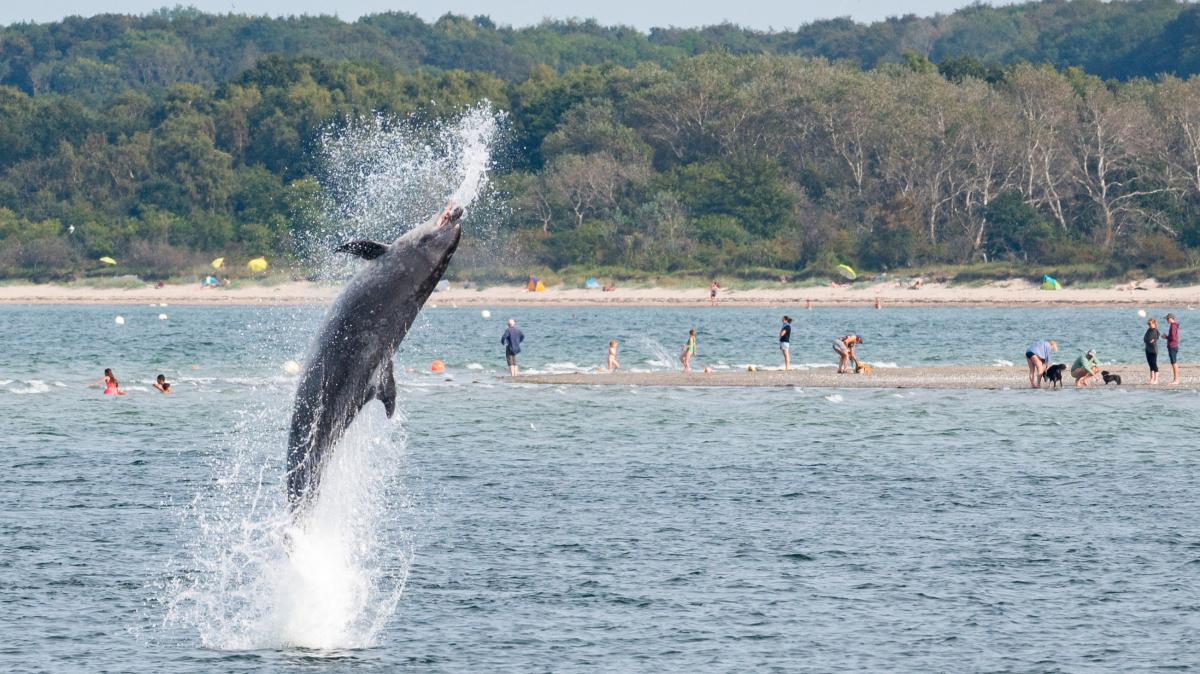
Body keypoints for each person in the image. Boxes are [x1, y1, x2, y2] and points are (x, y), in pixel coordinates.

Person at [1144, 318, 1162, 385]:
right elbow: (1145, 338)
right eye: (1148, 324)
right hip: (1147, 349)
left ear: (1154, 323)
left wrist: (1152, 340)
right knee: (1150, 364)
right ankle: (1151, 379)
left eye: (1150, 324)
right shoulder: (1148, 330)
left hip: (1153, 350)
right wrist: (1148, 341)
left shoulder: (1155, 330)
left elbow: (1156, 337)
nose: (1149, 325)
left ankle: (1156, 380)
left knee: (1154, 364)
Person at [1165, 313, 1181, 385]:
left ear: (1171, 318)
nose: (1167, 320)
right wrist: (1167, 337)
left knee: (1174, 363)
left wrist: (1166, 337)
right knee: (1173, 362)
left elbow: (1173, 338)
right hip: (1174, 346)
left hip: (1173, 346)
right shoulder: (1173, 325)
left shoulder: (1173, 326)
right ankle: (1175, 379)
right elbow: (1174, 337)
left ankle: (1176, 380)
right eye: (1166, 319)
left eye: (1167, 319)